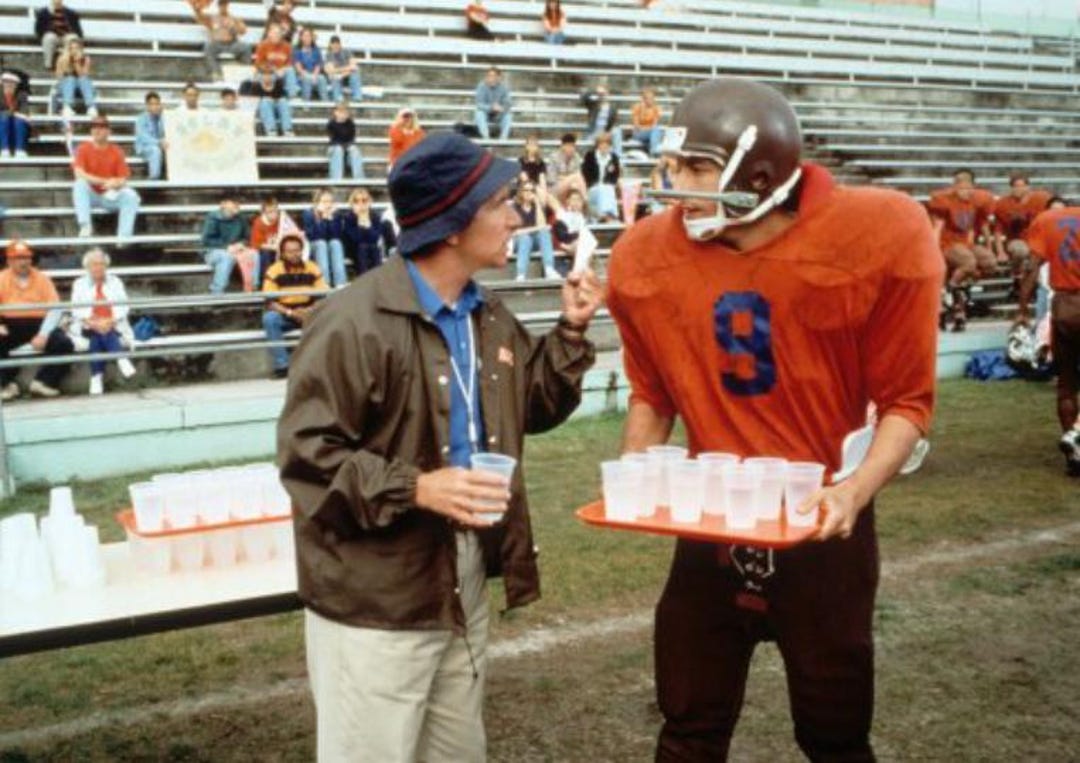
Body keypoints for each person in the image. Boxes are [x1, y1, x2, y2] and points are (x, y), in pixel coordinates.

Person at [606, 78, 941, 762]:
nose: (678, 185)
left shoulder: (875, 232)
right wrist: (638, 470)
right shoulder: (646, 253)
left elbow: (908, 404)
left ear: (760, 176)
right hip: (715, 522)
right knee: (688, 729)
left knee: (835, 734)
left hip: (823, 526)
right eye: (674, 165)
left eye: (697, 168)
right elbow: (653, 393)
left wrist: (854, 490)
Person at [277, 131, 602, 762]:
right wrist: (418, 487)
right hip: (377, 596)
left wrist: (569, 331)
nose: (517, 216)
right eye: (500, 202)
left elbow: (530, 408)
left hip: (463, 576)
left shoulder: (488, 315)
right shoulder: (351, 321)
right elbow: (306, 456)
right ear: (453, 225)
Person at [1018, 204, 1080, 477]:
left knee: (1066, 383)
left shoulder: (1047, 219)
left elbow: (1031, 267)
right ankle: (1077, 435)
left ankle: (1073, 444)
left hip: (1064, 306)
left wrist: (1021, 310)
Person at [0, 240, 74, 400]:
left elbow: (55, 308)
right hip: (10, 324)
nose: (23, 261)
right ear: (9, 261)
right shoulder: (1, 278)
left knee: (64, 344)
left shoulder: (42, 279)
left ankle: (43, 382)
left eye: (26, 257)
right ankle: (6, 384)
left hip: (39, 323)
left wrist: (43, 334)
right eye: (18, 258)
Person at [927, 168, 996, 332]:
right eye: (960, 187)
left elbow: (983, 225)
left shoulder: (979, 201)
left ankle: (956, 297)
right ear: (954, 186)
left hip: (967, 244)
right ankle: (951, 289)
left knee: (990, 262)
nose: (964, 191)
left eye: (968, 187)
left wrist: (990, 247)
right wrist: (934, 250)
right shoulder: (943, 201)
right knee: (968, 263)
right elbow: (937, 226)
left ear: (973, 187)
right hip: (948, 243)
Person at [69, 247, 137, 395]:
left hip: (112, 324)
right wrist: (93, 323)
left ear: (106, 266)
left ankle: (96, 377)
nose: (98, 267)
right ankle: (120, 358)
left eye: (101, 264)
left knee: (99, 337)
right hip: (87, 325)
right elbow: (76, 310)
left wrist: (111, 320)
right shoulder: (78, 283)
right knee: (98, 333)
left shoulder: (115, 281)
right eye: (94, 264)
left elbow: (124, 306)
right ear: (87, 266)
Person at [262, 232, 326, 378]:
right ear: (283, 253)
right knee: (270, 319)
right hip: (285, 314)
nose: (294, 254)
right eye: (290, 251)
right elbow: (270, 301)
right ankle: (282, 365)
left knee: (329, 316)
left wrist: (309, 310)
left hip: (310, 312)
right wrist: (290, 313)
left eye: (297, 250)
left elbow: (322, 296)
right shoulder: (274, 270)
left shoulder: (312, 268)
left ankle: (319, 365)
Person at [72, 115, 141, 240]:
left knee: (132, 196)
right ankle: (85, 225)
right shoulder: (83, 148)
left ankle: (123, 238)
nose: (97, 130)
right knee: (79, 184)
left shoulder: (116, 150)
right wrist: (105, 181)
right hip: (90, 194)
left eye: (101, 127)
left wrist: (116, 183)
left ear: (109, 131)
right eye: (94, 127)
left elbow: (123, 178)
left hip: (109, 194)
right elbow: (79, 174)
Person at [992, 171, 1052, 277]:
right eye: (1016, 186)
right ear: (1011, 189)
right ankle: (1017, 275)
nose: (1019, 189)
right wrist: (1001, 252)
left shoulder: (1040, 199)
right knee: (1020, 250)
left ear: (1028, 187)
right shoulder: (1003, 204)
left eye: (1022, 186)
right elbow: (997, 230)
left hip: (1037, 240)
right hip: (1016, 240)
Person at [201, 193, 254, 293]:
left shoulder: (241, 218)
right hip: (213, 251)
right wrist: (226, 247)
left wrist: (241, 244)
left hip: (236, 249)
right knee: (226, 257)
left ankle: (252, 288)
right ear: (223, 204)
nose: (236, 204)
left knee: (254, 254)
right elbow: (207, 240)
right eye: (232, 202)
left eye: (237, 203)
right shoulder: (213, 217)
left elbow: (248, 237)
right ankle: (217, 292)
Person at [337, 188, 396, 276]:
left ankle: (378, 279)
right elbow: (356, 239)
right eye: (356, 201)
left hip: (370, 248)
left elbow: (375, 239)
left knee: (374, 248)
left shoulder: (374, 216)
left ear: (369, 202)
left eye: (364, 201)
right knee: (363, 247)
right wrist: (361, 224)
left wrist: (368, 226)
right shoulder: (348, 217)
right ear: (352, 204)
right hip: (353, 249)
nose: (361, 204)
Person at [250, 195, 302, 288]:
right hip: (267, 250)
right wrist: (272, 247)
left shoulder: (282, 219)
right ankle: (268, 281)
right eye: (269, 212)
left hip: (281, 248)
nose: (273, 214)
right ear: (264, 213)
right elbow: (255, 244)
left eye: (275, 211)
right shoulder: (259, 222)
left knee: (292, 251)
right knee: (266, 254)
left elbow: (292, 230)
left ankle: (291, 281)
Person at [512, 180, 560, 281]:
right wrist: (536, 229)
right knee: (525, 238)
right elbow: (516, 232)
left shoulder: (535, 207)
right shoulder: (515, 207)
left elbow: (542, 225)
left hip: (534, 241)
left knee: (544, 234)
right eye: (526, 190)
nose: (529, 192)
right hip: (519, 242)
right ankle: (521, 274)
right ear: (521, 192)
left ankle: (549, 269)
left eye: (532, 190)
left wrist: (537, 203)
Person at [302, 188, 348, 288]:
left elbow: (337, 235)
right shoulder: (308, 214)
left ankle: (340, 283)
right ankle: (324, 282)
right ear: (317, 202)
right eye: (324, 202)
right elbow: (314, 236)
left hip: (330, 245)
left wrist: (331, 220)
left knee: (335, 243)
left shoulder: (336, 214)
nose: (328, 205)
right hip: (315, 245)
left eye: (330, 202)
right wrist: (321, 219)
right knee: (321, 243)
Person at [195, 0, 251, 80]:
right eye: (221, 4)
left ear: (228, 5)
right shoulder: (212, 18)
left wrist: (234, 27)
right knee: (208, 47)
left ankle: (243, 72)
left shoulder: (234, 18)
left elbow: (243, 31)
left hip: (232, 44)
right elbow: (200, 19)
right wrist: (197, 10)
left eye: (225, 4)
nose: (223, 7)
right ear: (218, 6)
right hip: (217, 44)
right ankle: (216, 72)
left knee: (246, 47)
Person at [581, 132, 620, 223]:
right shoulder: (590, 156)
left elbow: (615, 177)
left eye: (607, 144)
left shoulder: (614, 158)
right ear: (597, 145)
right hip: (592, 188)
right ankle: (609, 216)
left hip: (608, 189)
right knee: (603, 189)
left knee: (607, 188)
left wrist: (608, 184)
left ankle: (607, 215)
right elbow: (586, 175)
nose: (604, 147)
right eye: (602, 144)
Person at [54, 36, 97, 118]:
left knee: (83, 79)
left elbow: (84, 75)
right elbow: (59, 76)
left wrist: (76, 62)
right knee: (70, 79)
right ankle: (67, 106)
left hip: (82, 88)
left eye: (77, 48)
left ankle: (91, 107)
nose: (74, 50)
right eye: (71, 48)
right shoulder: (61, 58)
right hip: (65, 87)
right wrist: (67, 64)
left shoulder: (86, 58)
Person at [35, 0, 83, 70]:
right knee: (49, 37)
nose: (57, 1)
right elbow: (39, 28)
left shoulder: (70, 13)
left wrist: (79, 37)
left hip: (66, 35)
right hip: (52, 35)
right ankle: (48, 64)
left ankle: (68, 63)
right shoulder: (43, 13)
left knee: (72, 38)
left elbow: (77, 28)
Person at [254, 23, 298, 98]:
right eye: (274, 33)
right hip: (267, 73)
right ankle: (270, 98)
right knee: (269, 78)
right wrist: (274, 69)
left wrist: (282, 69)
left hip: (282, 72)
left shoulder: (287, 46)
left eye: (278, 33)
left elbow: (290, 63)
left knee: (290, 71)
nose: (276, 35)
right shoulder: (263, 45)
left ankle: (292, 97)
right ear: (269, 34)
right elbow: (258, 64)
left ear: (281, 35)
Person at [134, 91, 168, 180]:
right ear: (147, 106)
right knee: (155, 150)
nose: (155, 107)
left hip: (160, 146)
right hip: (144, 147)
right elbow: (143, 137)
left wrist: (163, 116)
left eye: (157, 104)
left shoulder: (161, 118)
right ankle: (154, 178)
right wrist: (158, 142)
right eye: (152, 104)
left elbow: (166, 132)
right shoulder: (141, 118)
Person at [581, 83, 622, 156]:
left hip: (606, 132)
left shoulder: (613, 108)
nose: (602, 96)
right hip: (595, 131)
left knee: (617, 130)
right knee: (586, 146)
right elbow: (583, 98)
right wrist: (594, 92)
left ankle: (619, 160)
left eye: (604, 93)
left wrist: (607, 132)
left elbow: (614, 122)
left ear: (608, 94)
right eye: (600, 94)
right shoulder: (593, 105)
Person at [326, 101, 363, 180]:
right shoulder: (331, 124)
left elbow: (352, 139)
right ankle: (335, 179)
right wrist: (342, 146)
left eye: (345, 113)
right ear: (335, 113)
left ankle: (359, 179)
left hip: (347, 147)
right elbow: (333, 140)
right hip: (334, 147)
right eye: (341, 112)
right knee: (338, 150)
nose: (343, 115)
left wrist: (348, 146)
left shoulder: (351, 124)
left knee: (355, 150)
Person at [252, 66, 294, 137]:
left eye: (270, 74)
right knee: (265, 101)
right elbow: (253, 100)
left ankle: (287, 129)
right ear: (260, 76)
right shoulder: (256, 86)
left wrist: (274, 100)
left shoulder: (278, 84)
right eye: (264, 74)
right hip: (262, 110)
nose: (267, 76)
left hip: (277, 108)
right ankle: (271, 129)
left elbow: (282, 96)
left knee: (283, 101)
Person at [474, 66, 512, 141]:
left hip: (498, 114)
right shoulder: (481, 86)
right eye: (489, 76)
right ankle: (486, 138)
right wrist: (491, 107)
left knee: (508, 116)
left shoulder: (504, 87)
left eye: (493, 76)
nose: (491, 78)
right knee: (479, 113)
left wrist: (501, 108)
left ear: (499, 77)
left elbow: (508, 103)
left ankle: (503, 140)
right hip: (486, 113)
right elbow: (479, 104)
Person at [546, 132, 587, 202]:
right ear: (562, 146)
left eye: (573, 146)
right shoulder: (554, 157)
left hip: (571, 186)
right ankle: (586, 201)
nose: (571, 148)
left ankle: (581, 204)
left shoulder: (576, 157)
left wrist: (564, 178)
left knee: (576, 184)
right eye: (568, 146)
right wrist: (569, 178)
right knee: (576, 177)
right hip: (555, 189)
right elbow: (551, 179)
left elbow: (578, 177)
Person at [292, 27, 329, 102]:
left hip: (314, 75)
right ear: (301, 37)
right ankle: (306, 105)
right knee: (307, 78)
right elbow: (298, 67)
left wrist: (315, 75)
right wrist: (307, 75)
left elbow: (318, 65)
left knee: (322, 78)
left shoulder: (316, 49)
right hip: (301, 76)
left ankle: (325, 104)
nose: (307, 38)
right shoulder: (297, 50)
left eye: (309, 36)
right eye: (305, 36)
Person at [0, 72, 30, 160]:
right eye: (6, 82)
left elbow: (24, 111)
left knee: (19, 120)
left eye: (12, 83)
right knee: (4, 118)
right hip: (2, 123)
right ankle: (4, 149)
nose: (9, 85)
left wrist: (13, 114)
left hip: (16, 123)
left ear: (16, 85)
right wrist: (11, 113)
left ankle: (20, 150)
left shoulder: (22, 95)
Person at [323, 35, 362, 102]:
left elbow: (354, 67)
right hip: (337, 78)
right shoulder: (329, 55)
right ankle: (338, 99)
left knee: (355, 74)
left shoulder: (347, 52)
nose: (335, 46)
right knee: (334, 77)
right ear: (330, 45)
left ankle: (357, 98)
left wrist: (341, 75)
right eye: (333, 44)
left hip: (346, 76)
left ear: (340, 44)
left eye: (337, 44)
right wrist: (347, 68)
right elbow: (330, 70)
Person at [630, 86, 663, 157]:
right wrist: (648, 129)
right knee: (656, 131)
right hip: (639, 133)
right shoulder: (637, 107)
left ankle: (653, 151)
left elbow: (654, 124)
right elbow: (636, 126)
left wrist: (650, 129)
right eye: (649, 98)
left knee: (657, 130)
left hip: (651, 133)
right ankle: (654, 152)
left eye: (652, 98)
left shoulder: (656, 108)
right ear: (644, 99)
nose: (651, 100)